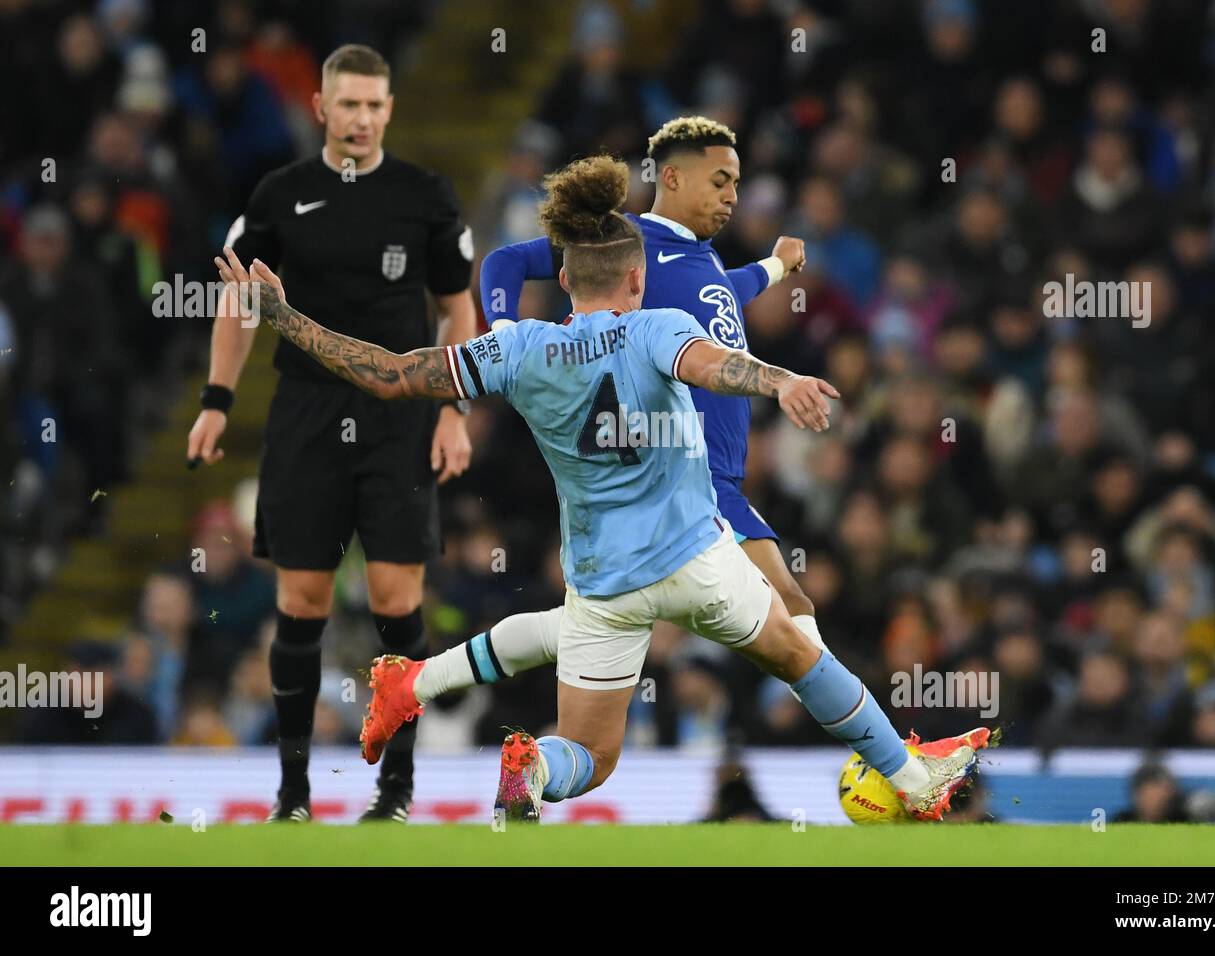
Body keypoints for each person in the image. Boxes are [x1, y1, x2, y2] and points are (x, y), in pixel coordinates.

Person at [213, 155, 992, 821]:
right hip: (696, 558)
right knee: (797, 651)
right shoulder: (655, 326)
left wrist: (284, 317)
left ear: (561, 277)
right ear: (636, 276)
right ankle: (912, 776)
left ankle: (533, 769)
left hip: (604, 581)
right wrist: (781, 380)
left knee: (591, 752)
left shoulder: (516, 348)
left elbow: (388, 374)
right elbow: (716, 366)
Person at [417, 115, 829, 719]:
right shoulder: (621, 242)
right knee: (793, 609)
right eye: (719, 180)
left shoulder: (705, 260)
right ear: (672, 177)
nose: (731, 196)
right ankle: (888, 761)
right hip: (691, 481)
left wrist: (775, 266)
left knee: (579, 629)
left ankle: (419, 682)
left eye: (736, 183)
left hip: (705, 482)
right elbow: (504, 262)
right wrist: (505, 336)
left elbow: (727, 293)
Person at [185, 44, 477, 822]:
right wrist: (217, 398)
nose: (362, 119)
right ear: (320, 107)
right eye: (348, 104)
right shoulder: (282, 193)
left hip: (400, 411)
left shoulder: (425, 196)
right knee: (304, 599)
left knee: (394, 599)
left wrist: (454, 407)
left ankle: (398, 789)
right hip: (308, 408)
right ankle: (292, 794)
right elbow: (239, 300)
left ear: (390, 110)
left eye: (375, 106)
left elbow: (458, 309)